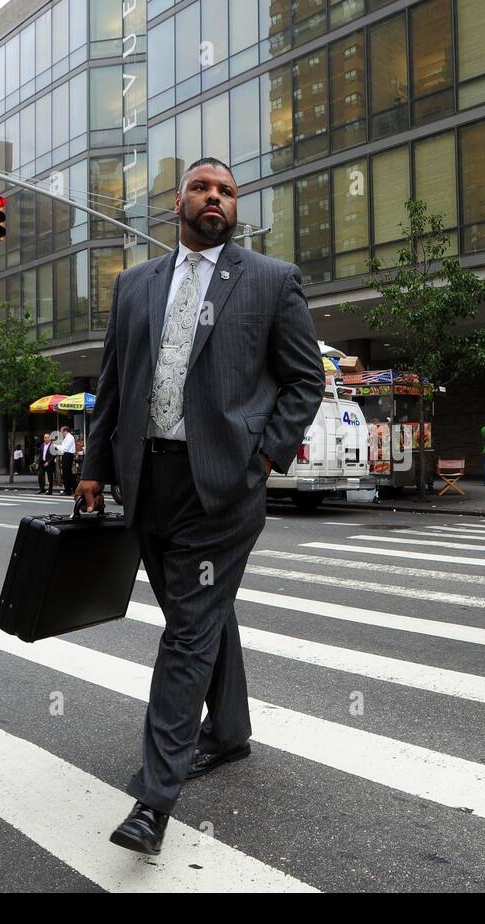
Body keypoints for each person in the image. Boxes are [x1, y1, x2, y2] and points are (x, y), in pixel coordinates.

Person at [77, 155, 323, 857]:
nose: (215, 198)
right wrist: (96, 468)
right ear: (177, 202)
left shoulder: (271, 281)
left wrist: (266, 456)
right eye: (202, 188)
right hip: (145, 483)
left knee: (187, 630)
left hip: (222, 486)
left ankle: (154, 802)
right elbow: (114, 385)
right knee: (204, 613)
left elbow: (305, 379)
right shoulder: (134, 286)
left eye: (227, 191)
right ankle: (231, 733)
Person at [58, 426, 77, 495]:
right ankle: (72, 489)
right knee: (67, 473)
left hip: (68, 455)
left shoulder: (69, 437)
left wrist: (56, 446)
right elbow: (63, 448)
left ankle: (68, 490)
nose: (61, 433)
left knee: (67, 473)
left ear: (65, 430)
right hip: (66, 455)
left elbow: (64, 449)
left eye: (61, 431)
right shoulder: (67, 438)